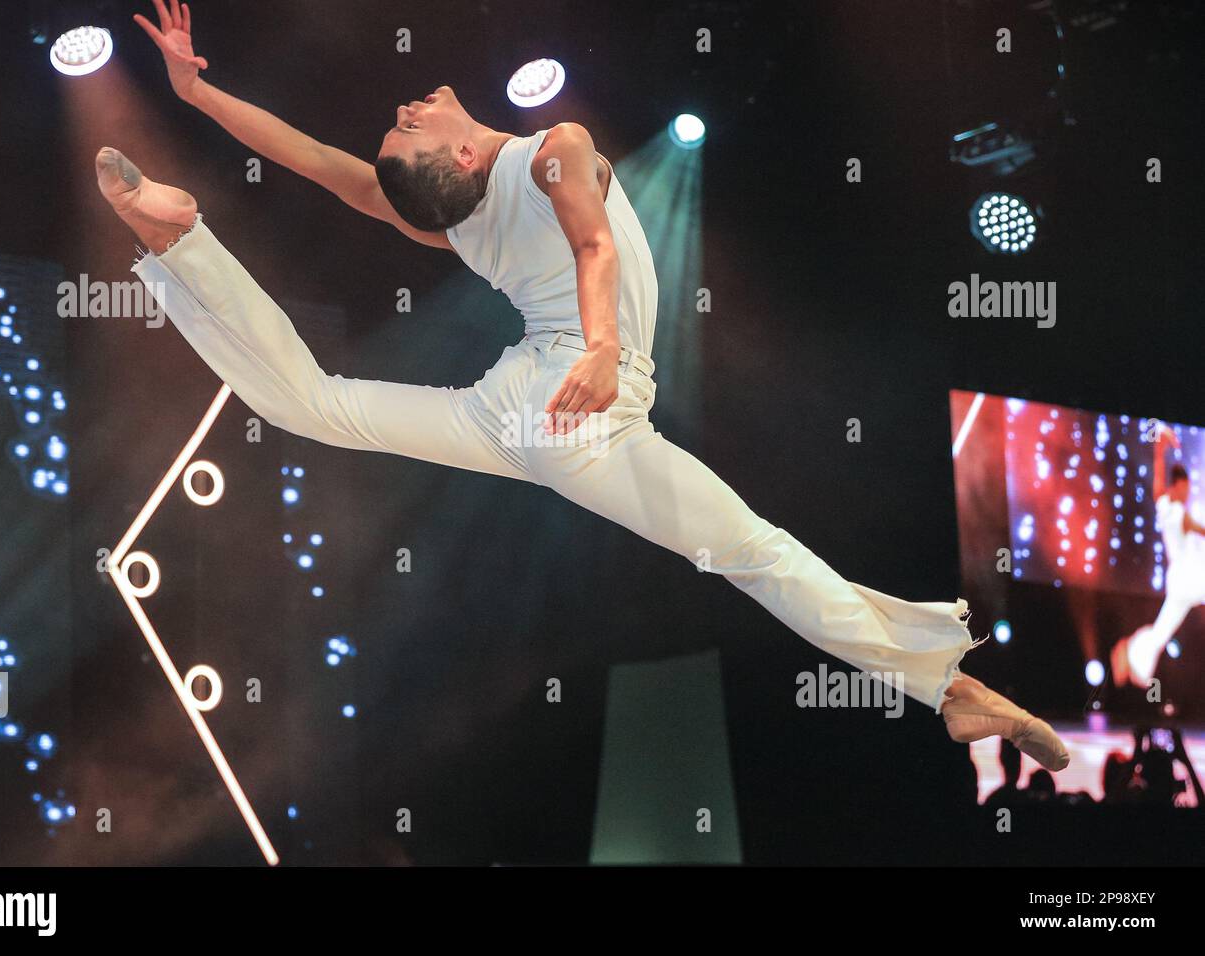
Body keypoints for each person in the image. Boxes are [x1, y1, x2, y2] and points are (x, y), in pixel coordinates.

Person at [102, 0, 1069, 771]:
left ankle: (179, 238)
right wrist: (602, 349)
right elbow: (589, 241)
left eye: (396, 129)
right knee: (756, 555)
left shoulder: (463, 215)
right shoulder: (553, 144)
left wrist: (199, 100)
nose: (400, 114)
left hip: (523, 407)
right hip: (579, 409)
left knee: (309, 404)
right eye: (407, 132)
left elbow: (325, 162)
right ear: (467, 156)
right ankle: (946, 690)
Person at [1113, 425, 1205, 687]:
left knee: (1163, 630)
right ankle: (1131, 651)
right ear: (1176, 488)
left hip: (1182, 579)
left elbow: (1156, 480)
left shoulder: (1165, 507)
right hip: (1192, 578)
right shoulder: (1178, 513)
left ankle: (1131, 651)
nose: (1187, 493)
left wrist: (1160, 447)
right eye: (1184, 488)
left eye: (1188, 488)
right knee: (1163, 628)